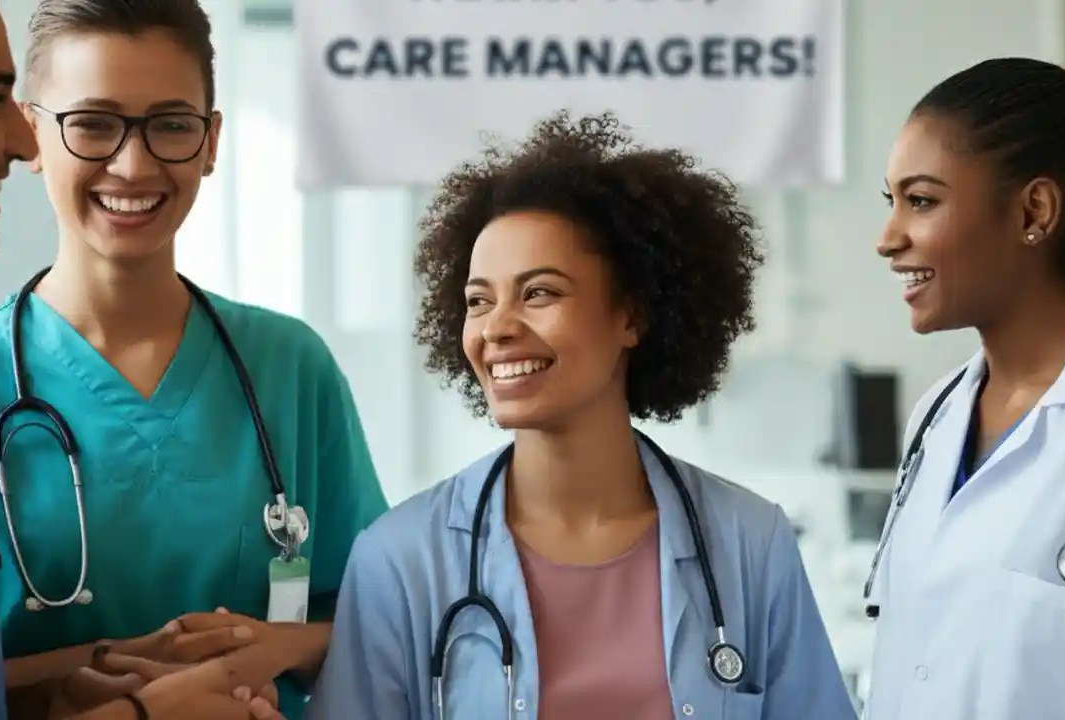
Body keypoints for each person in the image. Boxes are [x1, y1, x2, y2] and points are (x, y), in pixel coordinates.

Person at [0, 0, 389, 717]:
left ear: (210, 141)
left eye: (171, 124)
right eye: (94, 124)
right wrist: (94, 676)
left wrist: (277, 647)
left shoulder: (290, 367)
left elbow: (381, 626)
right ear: (31, 132)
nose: (133, 164)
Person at [305, 111, 857, 719]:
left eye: (540, 292)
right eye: (478, 301)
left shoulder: (752, 544)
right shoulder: (399, 560)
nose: (498, 328)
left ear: (633, 316)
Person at [866, 54, 1065, 719]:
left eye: (922, 200)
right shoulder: (936, 418)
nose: (888, 238)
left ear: (1035, 210)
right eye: (892, 201)